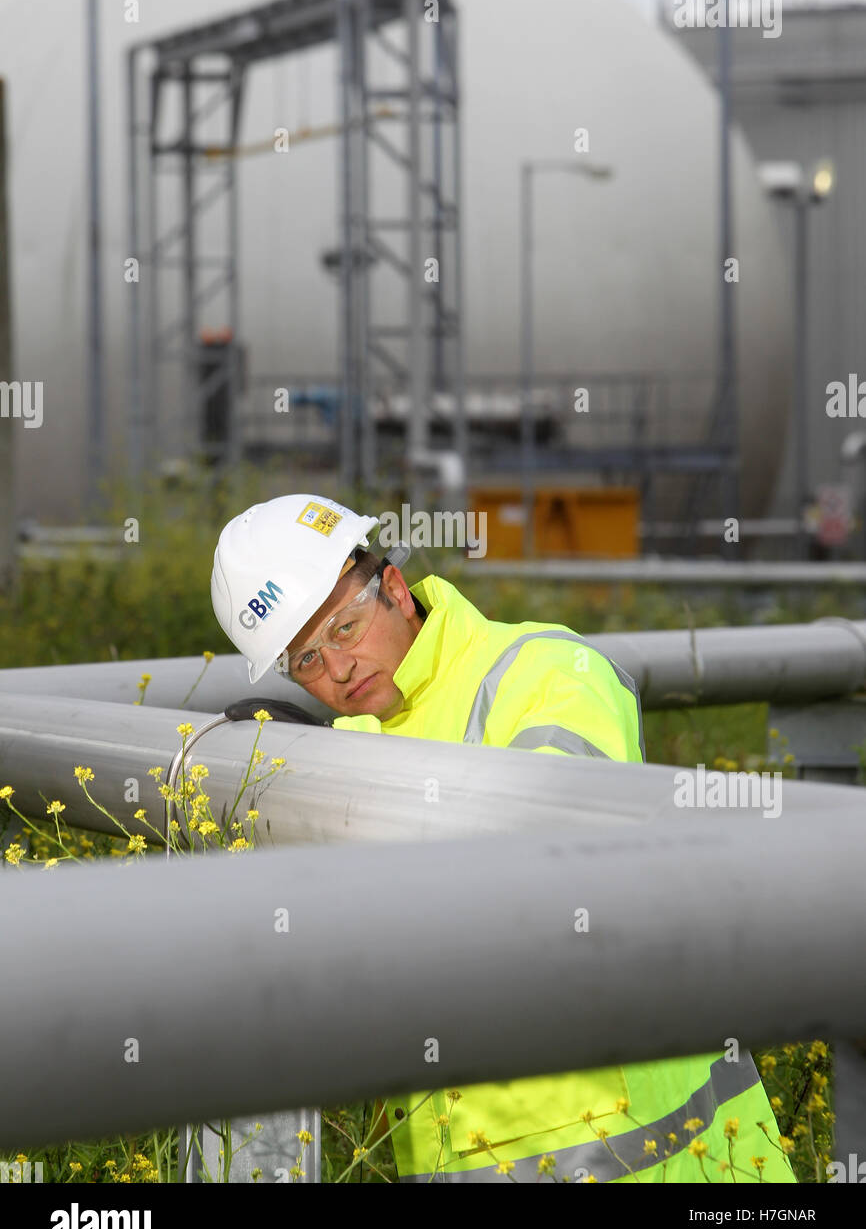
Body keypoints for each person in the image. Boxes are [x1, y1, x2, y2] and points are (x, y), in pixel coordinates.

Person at [211, 492, 797, 1184]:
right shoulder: (355, 737)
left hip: (668, 1166)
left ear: (394, 588)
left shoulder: (548, 673)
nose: (335, 671)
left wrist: (340, 779)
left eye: (343, 629)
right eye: (305, 660)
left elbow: (540, 869)